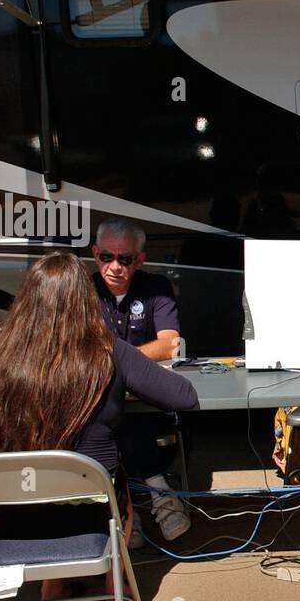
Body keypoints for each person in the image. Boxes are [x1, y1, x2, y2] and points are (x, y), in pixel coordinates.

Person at [0, 252, 198, 601]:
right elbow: (183, 396)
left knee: (48, 481)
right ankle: (112, 584)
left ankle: (50, 589)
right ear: (84, 300)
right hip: (90, 511)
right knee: (109, 475)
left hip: (9, 518)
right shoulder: (107, 351)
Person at [90, 218, 191, 543]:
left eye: (125, 259)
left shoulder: (155, 287)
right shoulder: (82, 291)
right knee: (109, 420)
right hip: (102, 396)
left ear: (140, 260)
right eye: (107, 257)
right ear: (95, 254)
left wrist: (120, 363)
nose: (115, 266)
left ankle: (124, 512)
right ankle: (157, 492)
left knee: (126, 420)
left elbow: (171, 344)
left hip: (146, 396)